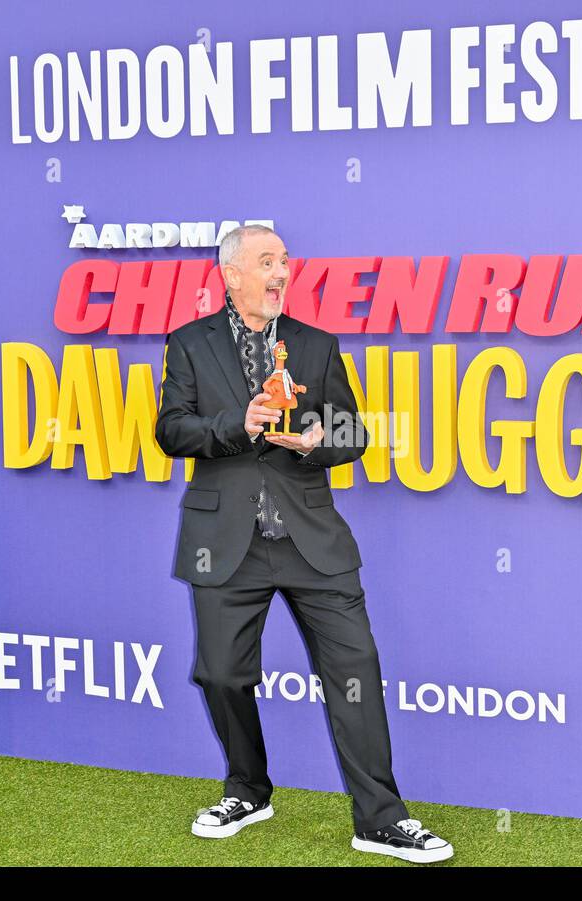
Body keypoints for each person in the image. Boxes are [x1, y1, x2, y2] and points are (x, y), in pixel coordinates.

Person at [154, 224, 453, 863]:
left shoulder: (314, 346)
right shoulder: (188, 345)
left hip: (310, 539)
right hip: (224, 540)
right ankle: (248, 789)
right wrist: (240, 424)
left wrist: (321, 440)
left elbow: (354, 432)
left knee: (356, 672)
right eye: (268, 260)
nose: (282, 270)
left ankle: (380, 818)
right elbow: (172, 430)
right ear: (231, 275)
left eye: (286, 261)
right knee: (221, 675)